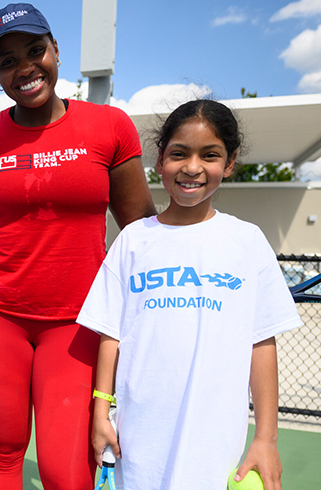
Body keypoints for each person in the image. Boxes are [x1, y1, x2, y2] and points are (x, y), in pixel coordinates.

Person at [0, 3, 157, 488]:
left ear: (56, 52)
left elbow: (143, 229)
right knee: (3, 450)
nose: (24, 67)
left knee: (64, 468)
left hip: (76, 319)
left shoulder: (109, 126)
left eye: (34, 50)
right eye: (6, 62)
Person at [78, 99, 303, 490]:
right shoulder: (133, 240)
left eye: (210, 155)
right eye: (179, 153)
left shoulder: (247, 241)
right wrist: (101, 410)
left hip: (215, 447)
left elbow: (261, 342)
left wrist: (266, 439)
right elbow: (110, 335)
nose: (193, 167)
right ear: (160, 159)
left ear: (229, 163)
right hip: (139, 441)